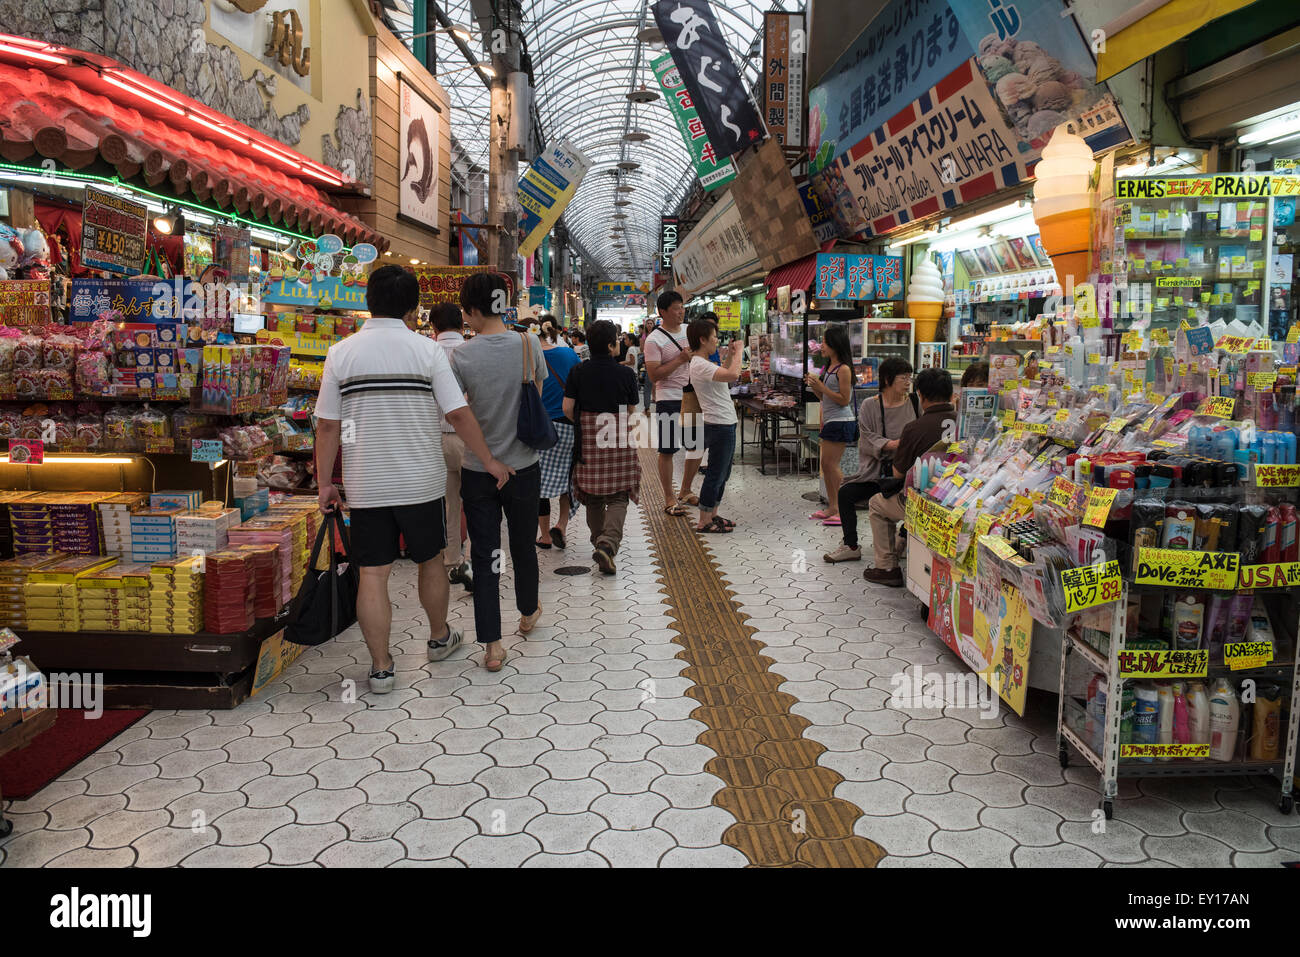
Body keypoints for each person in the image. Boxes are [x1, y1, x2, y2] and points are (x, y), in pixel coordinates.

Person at [315, 265, 509, 693]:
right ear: (413, 306)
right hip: (420, 481)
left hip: (366, 483)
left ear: (368, 300)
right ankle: (439, 638)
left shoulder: (341, 353)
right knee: (430, 560)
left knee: (373, 573)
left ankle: (382, 667)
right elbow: (458, 414)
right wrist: (489, 460)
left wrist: (325, 482)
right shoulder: (427, 352)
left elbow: (328, 426)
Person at [451, 272, 547, 672]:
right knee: (523, 545)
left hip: (479, 468)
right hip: (524, 465)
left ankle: (492, 645)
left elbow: (458, 413)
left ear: (473, 310)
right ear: (503, 302)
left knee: (486, 553)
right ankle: (527, 613)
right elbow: (537, 395)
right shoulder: (528, 342)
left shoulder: (461, 355)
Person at [863, 367, 957, 587]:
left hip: (923, 504)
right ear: (951, 394)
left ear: (921, 396)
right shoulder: (964, 421)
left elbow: (898, 473)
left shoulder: (914, 428)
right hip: (958, 501)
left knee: (877, 504)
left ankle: (887, 566)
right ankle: (902, 544)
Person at [563, 320, 641, 573]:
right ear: (610, 345)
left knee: (593, 497)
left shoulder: (577, 371)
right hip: (618, 437)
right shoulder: (626, 374)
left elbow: (567, 408)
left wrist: (587, 424)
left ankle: (599, 541)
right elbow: (631, 411)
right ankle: (607, 545)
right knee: (619, 495)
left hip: (588, 441)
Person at [824, 357, 919, 563]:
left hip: (907, 473)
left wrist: (902, 446)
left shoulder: (914, 402)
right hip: (878, 473)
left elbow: (920, 435)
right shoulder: (870, 405)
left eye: (909, 377)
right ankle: (850, 545)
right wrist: (896, 444)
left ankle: (902, 539)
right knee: (846, 493)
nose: (907, 382)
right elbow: (866, 439)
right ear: (887, 379)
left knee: (916, 498)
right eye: (903, 377)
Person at [643, 290, 702, 515]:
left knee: (697, 445)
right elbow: (654, 375)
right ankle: (669, 496)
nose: (681, 312)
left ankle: (685, 490)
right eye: (676, 308)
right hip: (668, 398)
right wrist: (680, 359)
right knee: (667, 449)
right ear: (663, 312)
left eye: (682, 307)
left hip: (692, 397)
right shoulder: (654, 340)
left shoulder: (690, 331)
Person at [431, 302, 473, 591]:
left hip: (433, 440)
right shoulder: (472, 351)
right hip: (468, 438)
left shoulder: (425, 352)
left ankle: (451, 562)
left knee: (448, 504)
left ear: (433, 326)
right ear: (462, 323)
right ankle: (475, 561)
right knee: (478, 501)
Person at [687, 317, 743, 533]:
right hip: (719, 424)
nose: (716, 341)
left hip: (724, 423)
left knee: (723, 473)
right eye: (714, 337)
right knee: (715, 474)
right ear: (702, 340)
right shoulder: (699, 364)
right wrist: (738, 353)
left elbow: (724, 376)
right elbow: (733, 375)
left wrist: (729, 355)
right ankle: (704, 520)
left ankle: (713, 514)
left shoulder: (704, 362)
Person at [804, 323, 857, 527]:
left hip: (842, 421)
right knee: (826, 465)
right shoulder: (829, 368)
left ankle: (843, 509)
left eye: (825, 342)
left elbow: (844, 399)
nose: (821, 346)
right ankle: (833, 507)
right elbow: (823, 398)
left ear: (836, 344)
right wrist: (815, 386)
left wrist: (822, 387)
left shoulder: (843, 369)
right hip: (831, 420)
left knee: (831, 465)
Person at [536, 318, 581, 550]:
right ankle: (561, 525)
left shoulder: (526, 359)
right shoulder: (569, 355)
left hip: (539, 428)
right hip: (569, 424)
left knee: (539, 483)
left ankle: (544, 535)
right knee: (567, 477)